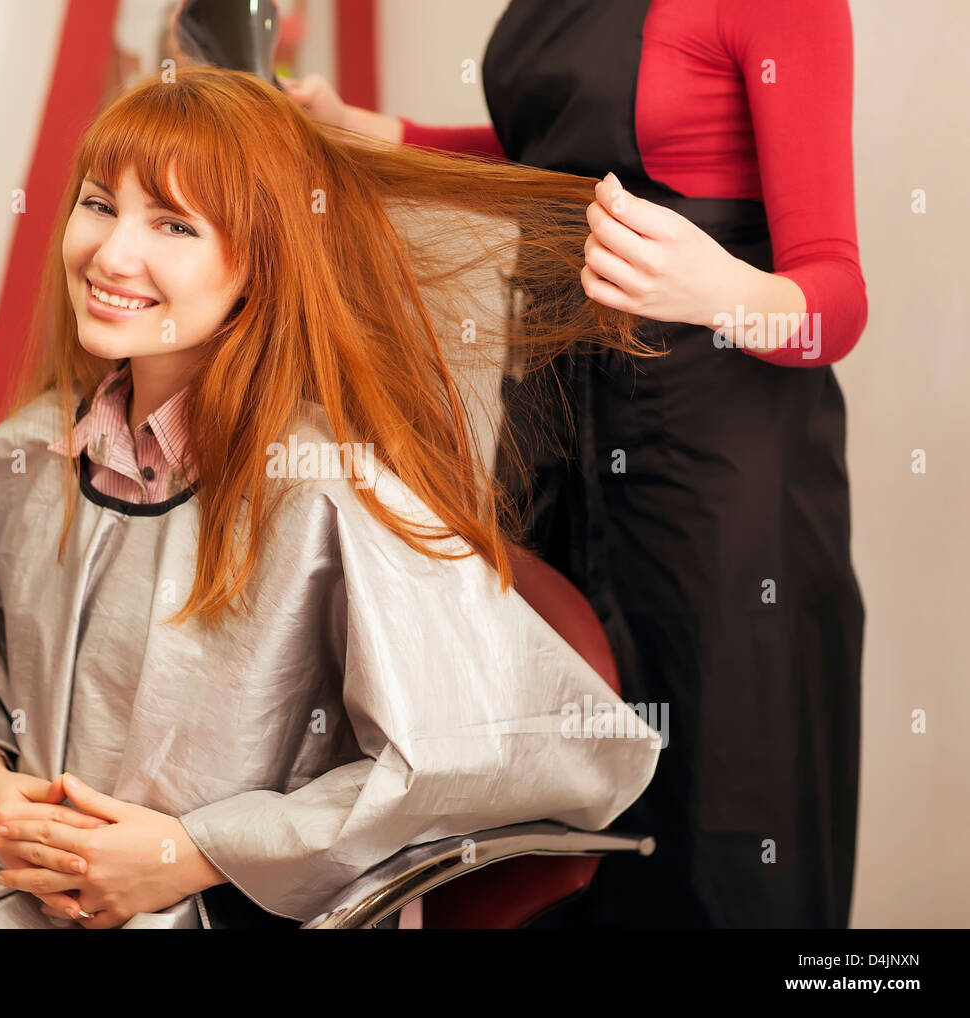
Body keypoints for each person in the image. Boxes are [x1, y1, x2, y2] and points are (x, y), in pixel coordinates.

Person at [0, 65, 668, 930]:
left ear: (260, 263)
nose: (112, 254)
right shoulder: (21, 458)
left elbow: (512, 748)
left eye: (174, 224)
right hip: (18, 898)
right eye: (99, 204)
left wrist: (188, 853)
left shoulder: (333, 492)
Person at [283, 0, 867, 929]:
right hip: (553, 424)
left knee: (726, 795)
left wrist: (725, 291)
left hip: (717, 466)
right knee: (553, 780)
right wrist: (377, 135)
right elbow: (555, 166)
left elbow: (834, 300)